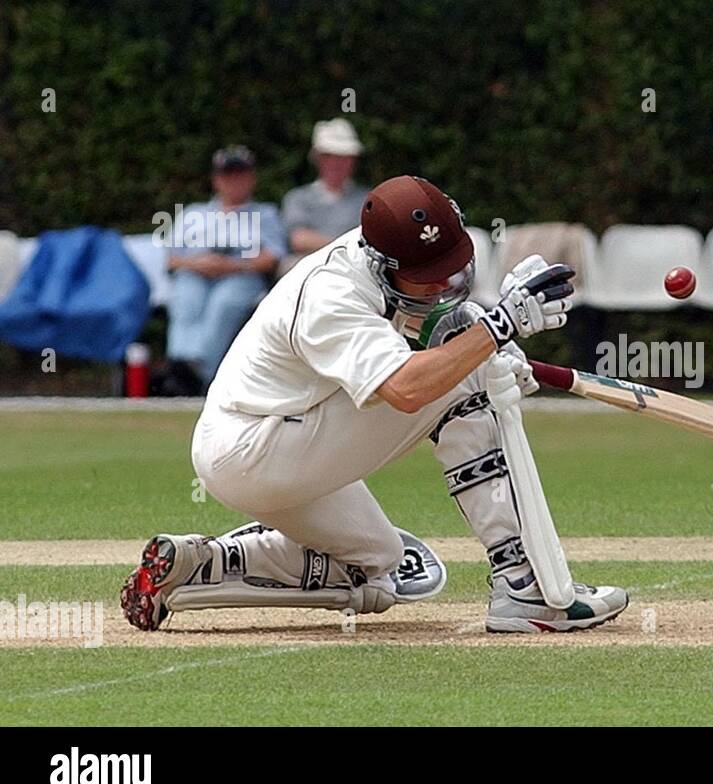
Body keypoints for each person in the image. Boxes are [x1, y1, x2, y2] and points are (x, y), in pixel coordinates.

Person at [121, 175, 629, 634]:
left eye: (449, 267)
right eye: (427, 274)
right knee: (464, 379)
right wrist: (494, 333)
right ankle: (525, 584)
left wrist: (481, 337)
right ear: (385, 268)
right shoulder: (330, 294)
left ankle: (199, 567)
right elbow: (407, 389)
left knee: (379, 567)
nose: (441, 283)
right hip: (254, 445)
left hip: (282, 441)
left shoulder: (385, 262)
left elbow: (429, 328)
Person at [158, 146, 286, 395]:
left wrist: (233, 266)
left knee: (224, 303)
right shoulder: (194, 213)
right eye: (228, 175)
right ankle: (179, 363)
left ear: (252, 178)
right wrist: (198, 264)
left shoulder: (265, 213)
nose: (234, 181)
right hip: (195, 273)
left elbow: (272, 257)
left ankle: (201, 371)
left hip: (242, 275)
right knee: (186, 298)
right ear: (216, 179)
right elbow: (171, 260)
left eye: (240, 174)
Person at [277, 118, 369, 277]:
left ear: (353, 161)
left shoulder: (368, 199)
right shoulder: (298, 198)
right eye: (329, 156)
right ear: (318, 159)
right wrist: (348, 248)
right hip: (311, 268)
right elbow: (299, 239)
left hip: (357, 269)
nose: (336, 163)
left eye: (343, 157)